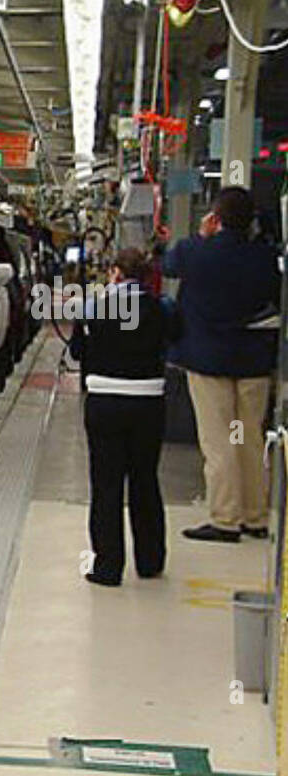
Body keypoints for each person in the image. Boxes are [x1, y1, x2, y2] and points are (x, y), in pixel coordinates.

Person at [164, 186, 282, 542]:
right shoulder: (264, 257)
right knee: (245, 436)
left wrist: (202, 235)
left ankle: (225, 518)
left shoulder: (194, 251)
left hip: (209, 362)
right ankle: (255, 516)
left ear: (215, 217)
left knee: (219, 442)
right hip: (252, 364)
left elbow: (169, 264)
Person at [71, 248, 182, 587]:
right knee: (145, 479)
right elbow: (177, 336)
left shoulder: (93, 307)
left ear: (116, 272)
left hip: (104, 401)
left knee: (106, 485)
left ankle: (107, 567)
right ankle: (150, 561)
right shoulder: (162, 307)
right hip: (148, 402)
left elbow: (77, 351)